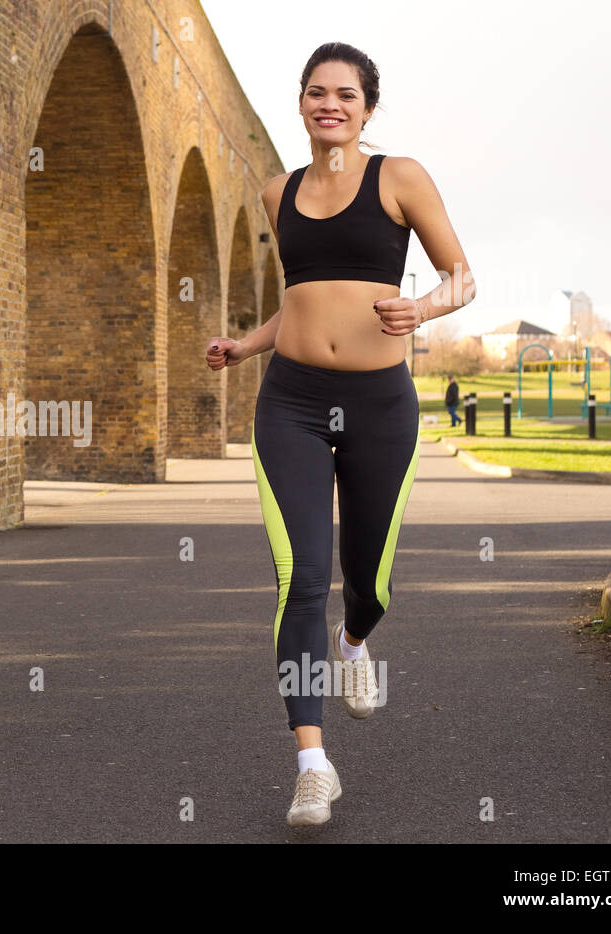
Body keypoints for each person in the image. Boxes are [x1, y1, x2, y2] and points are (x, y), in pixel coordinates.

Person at [205, 42, 476, 826]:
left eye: (346, 94)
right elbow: (302, 302)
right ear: (300, 103)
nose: (331, 104)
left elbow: (462, 273)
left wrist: (420, 311)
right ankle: (313, 764)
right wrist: (244, 346)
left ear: (367, 107)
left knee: (370, 582)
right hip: (290, 399)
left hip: (379, 405)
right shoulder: (275, 192)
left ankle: (355, 643)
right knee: (299, 578)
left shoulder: (400, 177)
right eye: (317, 92)